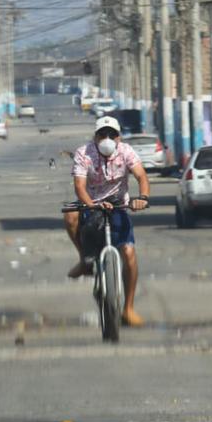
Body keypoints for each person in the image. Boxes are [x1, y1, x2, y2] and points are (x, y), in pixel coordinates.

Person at [64, 116, 150, 327]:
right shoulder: (84, 153)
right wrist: (92, 205)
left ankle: (128, 309)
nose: (107, 139)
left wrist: (143, 198)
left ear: (119, 137)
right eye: (103, 134)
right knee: (70, 215)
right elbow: (79, 186)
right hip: (91, 205)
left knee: (129, 253)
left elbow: (141, 176)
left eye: (112, 135)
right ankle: (84, 260)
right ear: (96, 136)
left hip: (119, 206)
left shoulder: (127, 151)